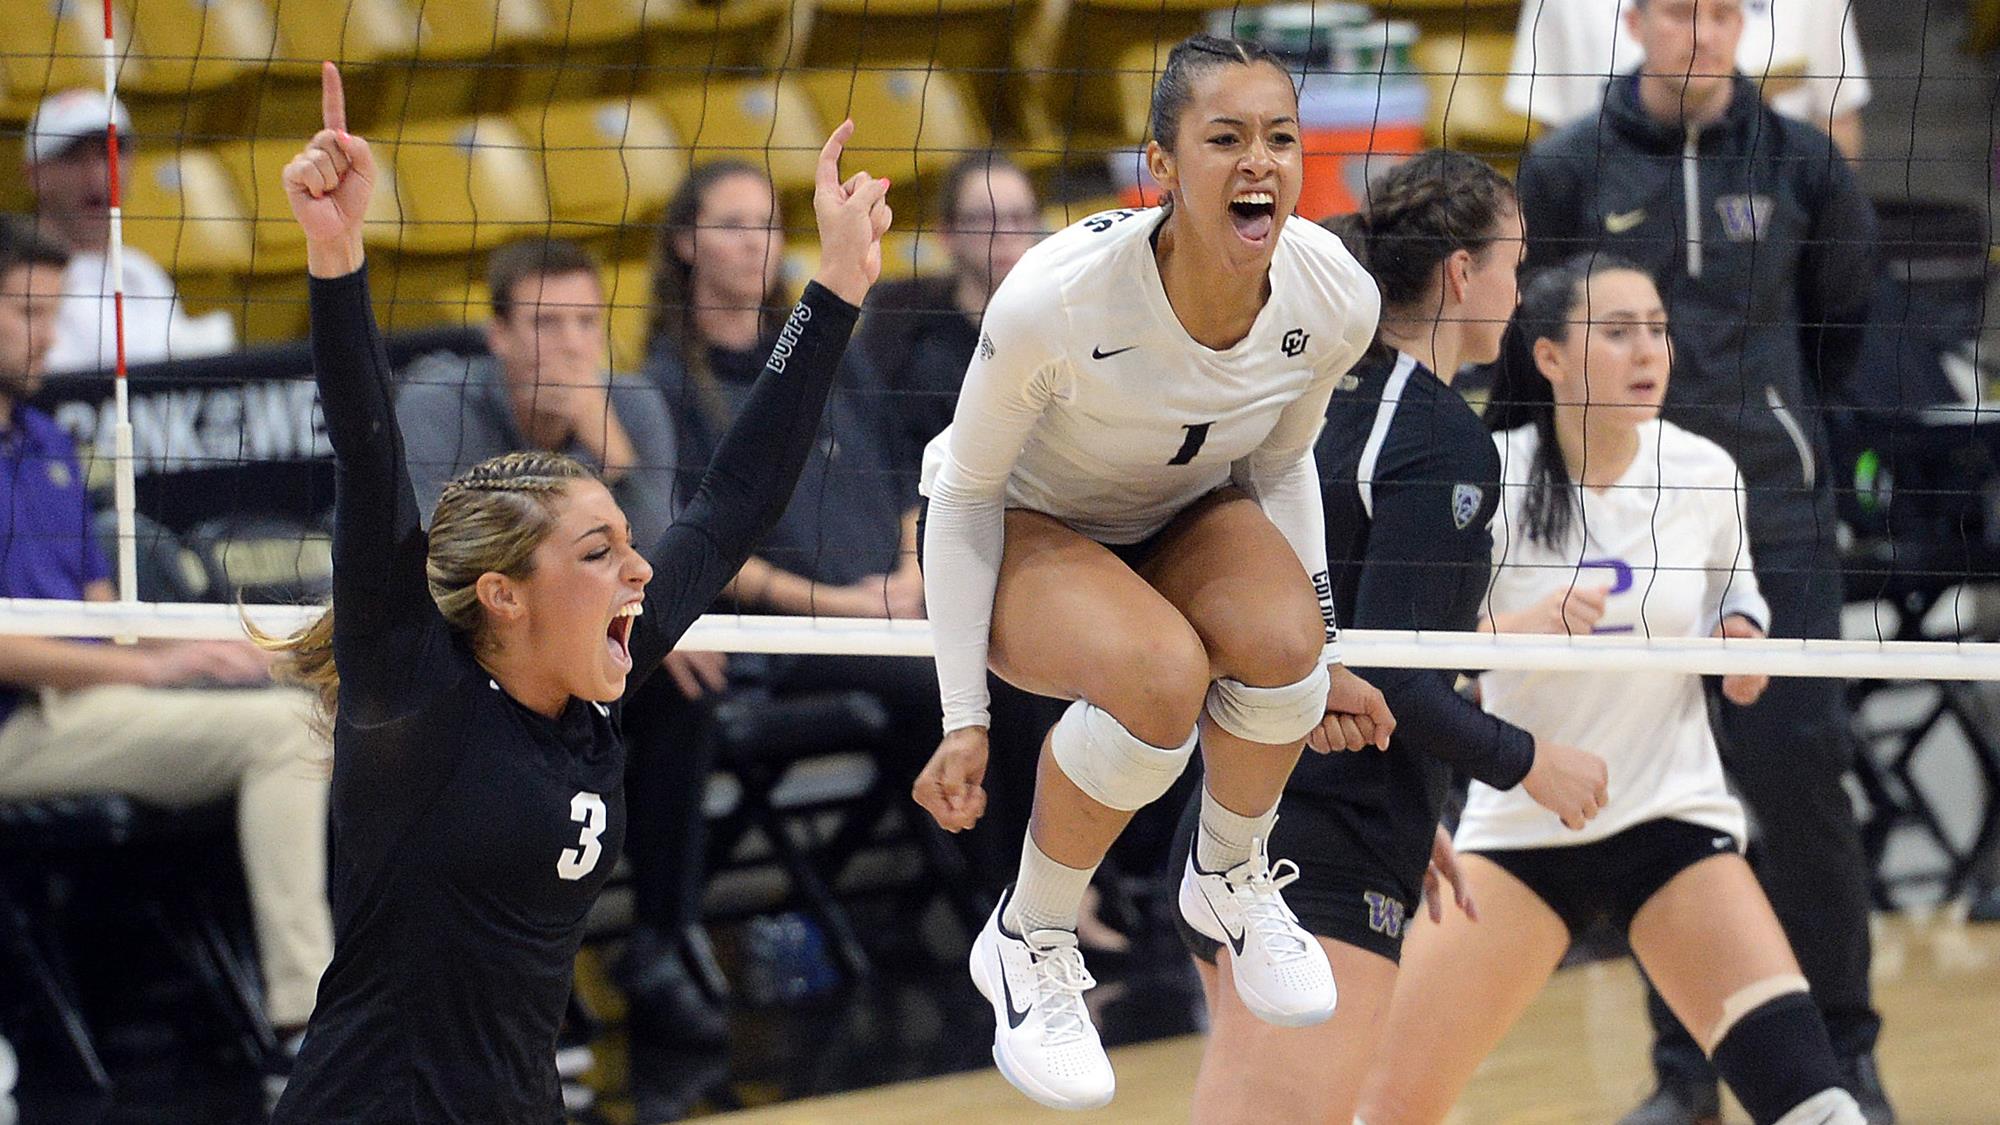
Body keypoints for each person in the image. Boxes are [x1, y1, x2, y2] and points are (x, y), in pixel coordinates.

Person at [263, 63, 889, 1124]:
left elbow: (732, 502)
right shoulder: (412, 693)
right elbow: (366, 460)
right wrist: (335, 253)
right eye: (599, 552)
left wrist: (831, 291)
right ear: (503, 596)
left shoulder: (591, 686)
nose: (639, 570)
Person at [910, 33, 1393, 1111]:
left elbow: (1277, 462)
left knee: (1284, 652)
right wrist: (962, 712)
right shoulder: (1058, 297)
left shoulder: (1331, 296)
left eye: (1278, 137)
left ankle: (1227, 876)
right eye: (1224, 139)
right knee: (1160, 676)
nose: (1257, 161)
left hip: (1176, 514)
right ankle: (1026, 937)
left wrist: (1328, 649)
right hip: (1020, 521)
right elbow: (965, 494)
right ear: (1162, 169)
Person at [1355, 256, 1865, 1125]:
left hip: (1672, 816)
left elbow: (1735, 593)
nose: (1648, 352)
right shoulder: (1491, 475)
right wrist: (1528, 623)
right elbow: (1409, 657)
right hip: (1521, 825)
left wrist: (1743, 639)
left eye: (1657, 329)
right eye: (1617, 331)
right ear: (1549, 356)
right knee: (1386, 1111)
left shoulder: (1703, 470)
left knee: (1818, 1108)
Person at [1167, 151, 1612, 1125]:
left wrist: (1421, 806)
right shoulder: (1436, 436)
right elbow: (1392, 675)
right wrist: (1526, 762)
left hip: (1243, 811)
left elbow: (1349, 651)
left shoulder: (1306, 393)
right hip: (1318, 839)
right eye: (1513, 264)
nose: (1519, 290)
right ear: (1460, 273)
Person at [1511, 0, 1888, 1118]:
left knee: (1798, 779)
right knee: (1661, 794)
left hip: (1771, 513)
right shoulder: (1568, 166)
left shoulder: (1801, 159)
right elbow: (1531, 327)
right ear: (1633, 20)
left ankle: (1846, 1053)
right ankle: (1685, 1075)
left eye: (1725, 10)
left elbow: (1841, 315)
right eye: (1681, 8)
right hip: (1627, 515)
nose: (1704, 29)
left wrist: (1776, 427)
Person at [0, 215, 331, 1042]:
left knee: (318, 697)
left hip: (91, 703)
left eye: (51, 315)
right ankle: (311, 1019)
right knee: (287, 735)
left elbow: (109, 611)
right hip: (21, 721)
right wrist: (145, 672)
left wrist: (195, 652)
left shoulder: (42, 438)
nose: (46, 337)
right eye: (25, 314)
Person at [393, 236, 727, 1045]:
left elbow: (654, 561)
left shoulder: (630, 402)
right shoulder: (440, 399)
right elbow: (447, 562)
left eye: (587, 321)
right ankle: (530, 972)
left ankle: (659, 941)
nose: (574, 343)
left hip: (572, 664)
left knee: (687, 687)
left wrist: (607, 448)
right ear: (499, 334)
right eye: (549, 323)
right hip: (466, 666)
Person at [23, 88, 235, 371]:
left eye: (109, 153)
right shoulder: (18, 280)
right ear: (35, 174)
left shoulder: (143, 273)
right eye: (74, 159)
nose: (97, 176)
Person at [1504, 0, 1870, 159]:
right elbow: (1551, 135)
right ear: (1635, 23)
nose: (1702, 37)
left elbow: (1838, 118)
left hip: (1764, 227)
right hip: (1612, 226)